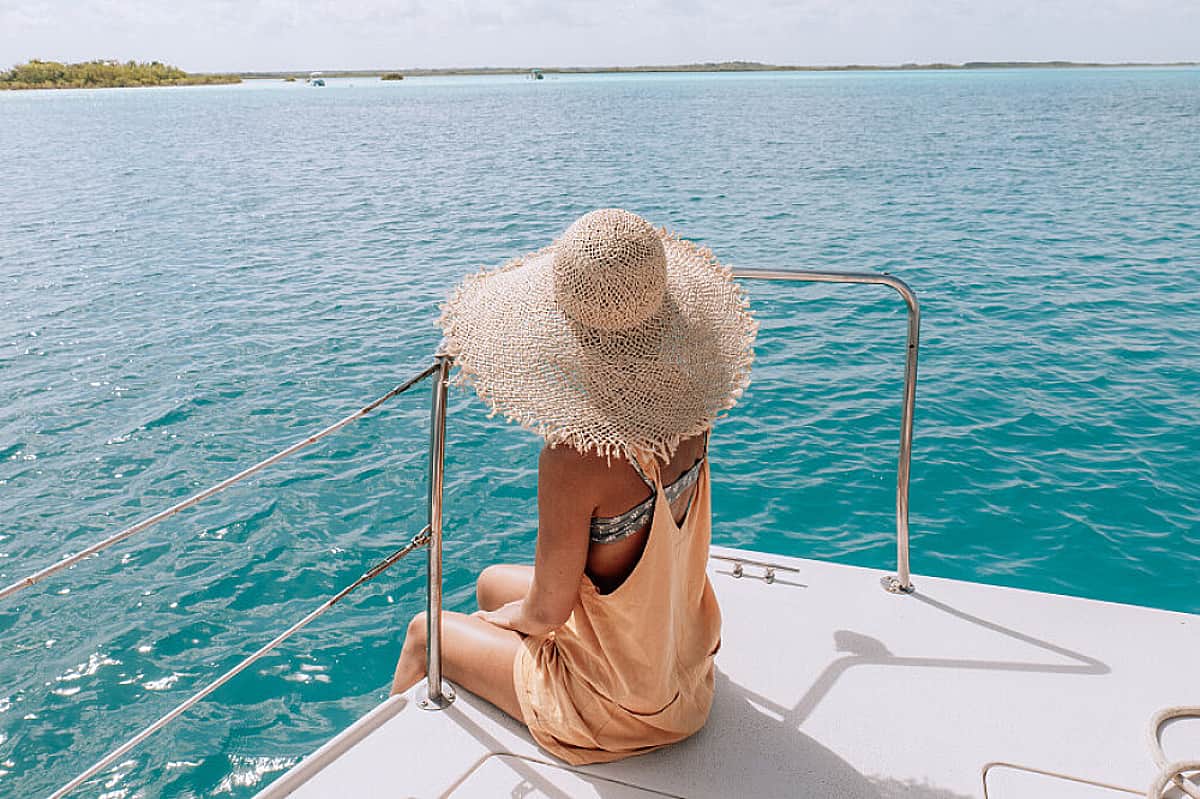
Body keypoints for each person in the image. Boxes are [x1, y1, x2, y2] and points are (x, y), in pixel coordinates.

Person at [390, 208, 757, 764]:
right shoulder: (693, 405)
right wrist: (503, 612)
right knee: (491, 582)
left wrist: (504, 623)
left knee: (427, 631)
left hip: (616, 710)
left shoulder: (577, 458)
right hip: (682, 673)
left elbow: (546, 615)